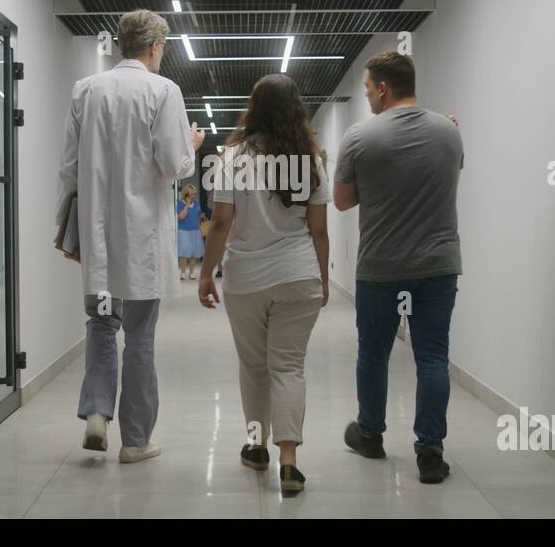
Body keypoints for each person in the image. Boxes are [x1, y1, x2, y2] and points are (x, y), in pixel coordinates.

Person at [56, 8, 206, 463]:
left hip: (97, 238)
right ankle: (136, 440)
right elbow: (173, 164)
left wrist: (68, 233)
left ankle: (98, 413)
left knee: (101, 324)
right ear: (156, 47)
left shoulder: (86, 90)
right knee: (139, 336)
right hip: (140, 243)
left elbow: (69, 168)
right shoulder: (163, 90)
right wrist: (192, 149)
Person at [333, 51, 463, 484]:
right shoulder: (449, 131)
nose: (367, 95)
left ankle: (370, 434)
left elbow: (343, 201)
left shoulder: (359, 137)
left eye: (368, 87)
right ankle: (430, 451)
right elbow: (447, 174)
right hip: (438, 265)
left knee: (373, 354)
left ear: (383, 87)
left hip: (381, 267)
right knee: (433, 357)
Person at [198, 74, 330, 496]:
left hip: (247, 280)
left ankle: (257, 446)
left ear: (252, 108)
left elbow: (220, 222)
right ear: (297, 109)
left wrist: (206, 273)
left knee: (255, 368)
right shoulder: (310, 158)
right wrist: (323, 278)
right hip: (298, 276)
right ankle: (289, 462)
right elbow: (319, 230)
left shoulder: (232, 156)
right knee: (289, 368)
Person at [176, 184, 204, 279]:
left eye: (194, 194)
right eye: (191, 194)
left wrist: (200, 218)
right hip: (183, 231)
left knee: (193, 253)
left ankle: (192, 273)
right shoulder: (180, 204)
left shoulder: (196, 204)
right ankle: (182, 273)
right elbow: (181, 217)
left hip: (195, 231)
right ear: (186, 194)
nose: (193, 196)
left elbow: (198, 217)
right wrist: (187, 206)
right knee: (183, 253)